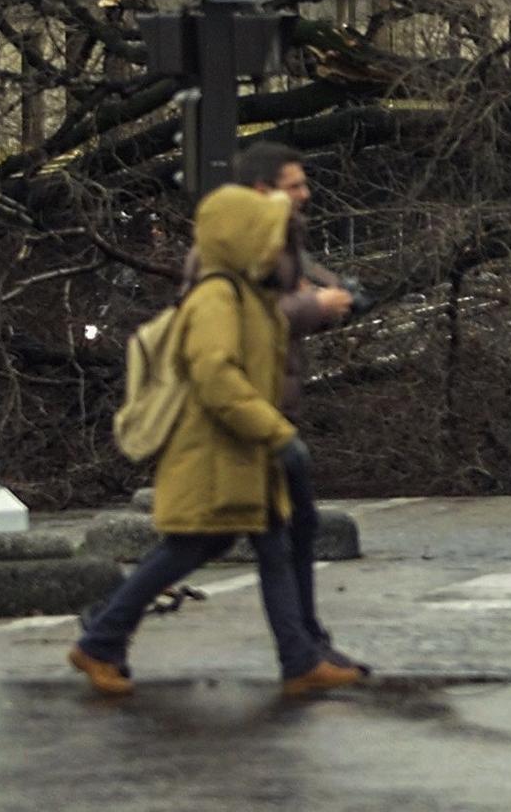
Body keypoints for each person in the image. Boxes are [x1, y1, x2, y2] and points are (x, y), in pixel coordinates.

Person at [69, 185, 366, 698]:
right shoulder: (217, 298)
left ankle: (298, 659)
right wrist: (277, 434)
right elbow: (215, 377)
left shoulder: (244, 294)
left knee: (269, 544)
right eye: (267, 236)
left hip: (240, 451)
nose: (277, 247)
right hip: (217, 451)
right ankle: (101, 639)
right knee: (188, 548)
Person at [224, 141, 360, 668]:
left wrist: (329, 300)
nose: (306, 193)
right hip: (251, 412)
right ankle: (103, 634)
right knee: (238, 538)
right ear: (263, 191)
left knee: (284, 531)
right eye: (294, 185)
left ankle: (305, 649)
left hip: (273, 407)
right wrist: (313, 304)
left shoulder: (279, 243)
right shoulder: (240, 245)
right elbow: (241, 318)